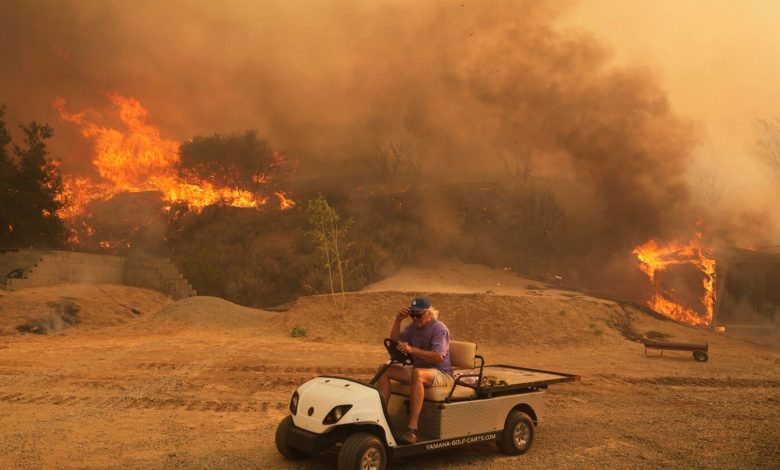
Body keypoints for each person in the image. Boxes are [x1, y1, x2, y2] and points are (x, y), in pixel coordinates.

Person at [376, 296, 453, 444]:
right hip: (421, 370)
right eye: (412, 315)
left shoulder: (439, 329)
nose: (415, 318)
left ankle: (412, 429)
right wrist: (398, 320)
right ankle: (381, 417)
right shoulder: (413, 327)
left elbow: (437, 357)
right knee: (384, 369)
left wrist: (412, 350)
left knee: (418, 374)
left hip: (441, 374)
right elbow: (395, 341)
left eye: (418, 315)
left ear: (429, 313)